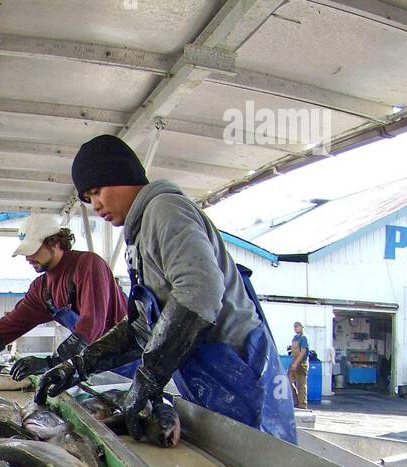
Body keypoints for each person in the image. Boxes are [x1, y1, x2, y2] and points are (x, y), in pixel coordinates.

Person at [34, 135, 297, 446]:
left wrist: (149, 377)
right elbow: (144, 326)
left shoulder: (165, 209)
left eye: (98, 191)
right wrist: (79, 365)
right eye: (88, 199)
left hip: (241, 376)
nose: (96, 206)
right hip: (212, 380)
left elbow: (199, 292)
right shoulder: (141, 233)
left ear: (123, 176)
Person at [0, 213, 130, 384]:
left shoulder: (87, 265)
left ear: (56, 242)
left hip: (127, 363)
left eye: (33, 250)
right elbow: (9, 325)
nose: (28, 258)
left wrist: (51, 362)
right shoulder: (42, 288)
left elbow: (91, 325)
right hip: (90, 364)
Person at [289, 322, 309, 408]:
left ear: (301, 327)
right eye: (294, 327)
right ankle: (296, 400)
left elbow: (303, 351)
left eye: (297, 327)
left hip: (301, 363)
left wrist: (296, 363)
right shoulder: (294, 338)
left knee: (301, 384)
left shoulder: (304, 338)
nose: (295, 328)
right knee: (288, 381)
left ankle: (302, 404)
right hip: (294, 361)